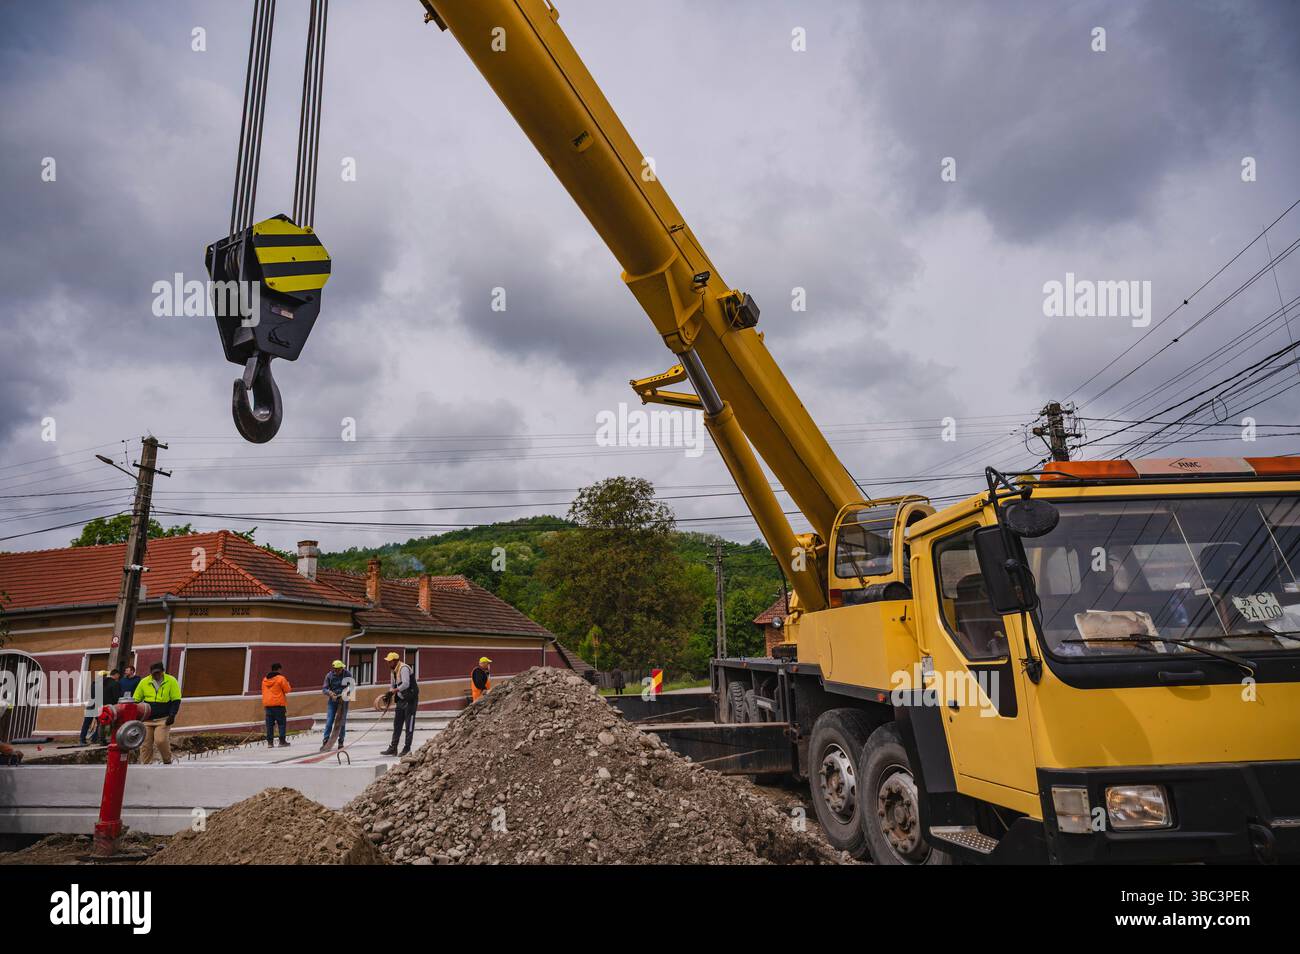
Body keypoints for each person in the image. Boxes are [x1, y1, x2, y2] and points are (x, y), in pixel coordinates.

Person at [132, 661, 182, 765]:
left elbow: (176, 700)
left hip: (163, 719)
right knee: (145, 744)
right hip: (146, 719)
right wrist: (134, 713)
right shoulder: (144, 682)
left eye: (158, 673)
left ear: (163, 671)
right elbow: (136, 699)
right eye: (153, 673)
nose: (156, 675)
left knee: (160, 740)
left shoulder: (171, 681)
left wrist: (172, 715)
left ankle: (167, 760)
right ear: (150, 673)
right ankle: (145, 764)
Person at [380, 651, 418, 757]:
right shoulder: (393, 671)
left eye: (389, 661)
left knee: (409, 725)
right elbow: (392, 685)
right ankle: (393, 748)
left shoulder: (404, 668)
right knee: (397, 724)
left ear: (395, 661)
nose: (388, 663)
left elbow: (406, 684)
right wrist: (389, 693)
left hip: (410, 700)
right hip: (401, 700)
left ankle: (407, 748)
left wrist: (393, 691)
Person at [320, 660, 355, 751]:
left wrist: (346, 693)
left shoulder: (347, 674)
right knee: (329, 721)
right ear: (334, 669)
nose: (339, 671)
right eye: (337, 669)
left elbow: (352, 687)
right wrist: (330, 693)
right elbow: (324, 689)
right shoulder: (329, 676)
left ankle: (341, 741)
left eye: (340, 669)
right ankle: (326, 740)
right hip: (333, 700)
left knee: (342, 722)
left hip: (344, 700)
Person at [261, 662, 292, 747]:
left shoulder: (264, 680)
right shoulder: (281, 678)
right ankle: (282, 742)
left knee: (269, 725)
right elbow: (287, 690)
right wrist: (288, 684)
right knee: (281, 723)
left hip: (268, 705)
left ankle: (270, 743)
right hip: (278, 704)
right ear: (279, 669)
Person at [79, 670, 109, 745]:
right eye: (105, 676)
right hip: (95, 707)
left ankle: (83, 739)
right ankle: (93, 739)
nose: (106, 678)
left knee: (87, 724)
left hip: (91, 706)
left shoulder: (93, 684)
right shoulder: (99, 685)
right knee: (100, 723)